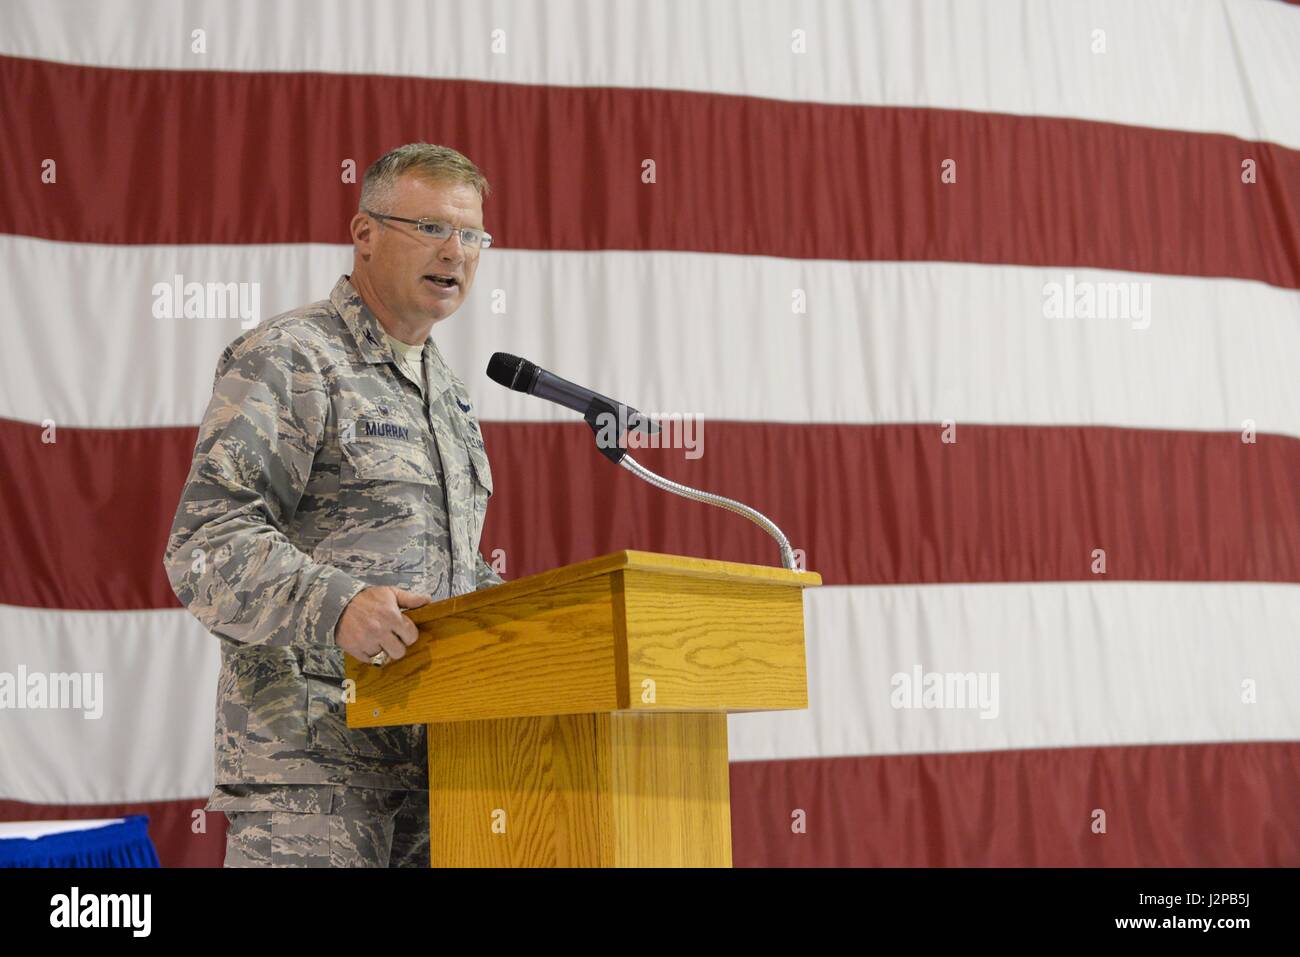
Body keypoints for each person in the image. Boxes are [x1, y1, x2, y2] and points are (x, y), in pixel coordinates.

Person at [163, 143, 504, 867]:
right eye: (432, 228)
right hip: (313, 777)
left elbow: (455, 575)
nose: (456, 252)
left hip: (442, 773)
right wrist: (339, 604)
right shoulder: (292, 356)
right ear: (365, 233)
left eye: (472, 235)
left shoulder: (446, 393)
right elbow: (204, 545)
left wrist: (541, 621)